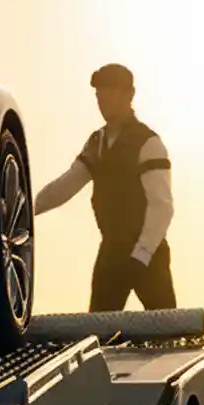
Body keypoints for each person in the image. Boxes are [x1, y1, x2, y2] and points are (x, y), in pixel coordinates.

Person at [34, 63, 176, 312]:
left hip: (149, 253)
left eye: (110, 90)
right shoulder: (97, 143)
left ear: (129, 94)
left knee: (167, 330)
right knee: (98, 329)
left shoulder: (148, 142)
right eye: (99, 92)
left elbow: (162, 207)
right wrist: (27, 209)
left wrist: (141, 255)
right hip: (112, 251)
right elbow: (67, 184)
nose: (102, 98)